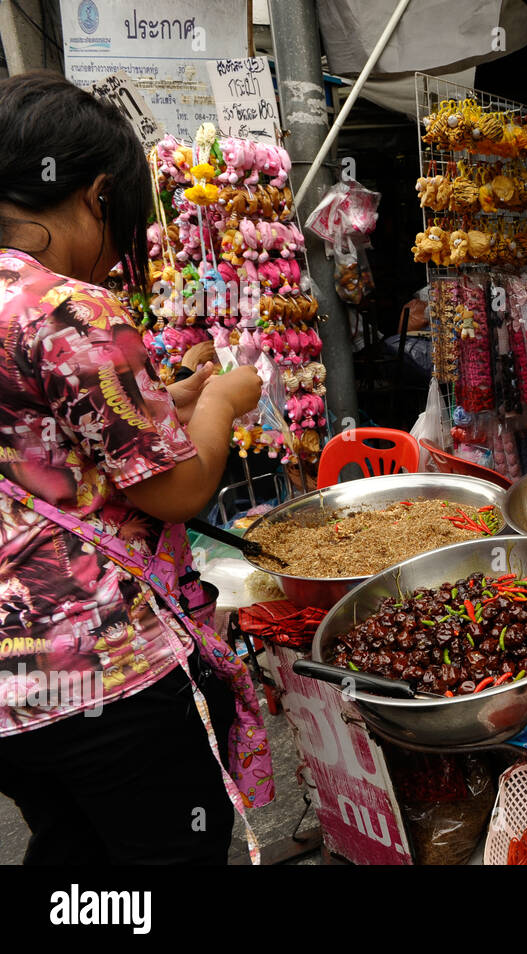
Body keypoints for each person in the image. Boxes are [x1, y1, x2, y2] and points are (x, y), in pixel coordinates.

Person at [0, 72, 272, 863]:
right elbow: (179, 491)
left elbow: (52, 437)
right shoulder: (68, 308)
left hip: (13, 699)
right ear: (96, 194)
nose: (118, 259)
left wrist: (170, 398)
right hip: (102, 668)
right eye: (120, 229)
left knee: (73, 850)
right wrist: (221, 399)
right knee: (170, 851)